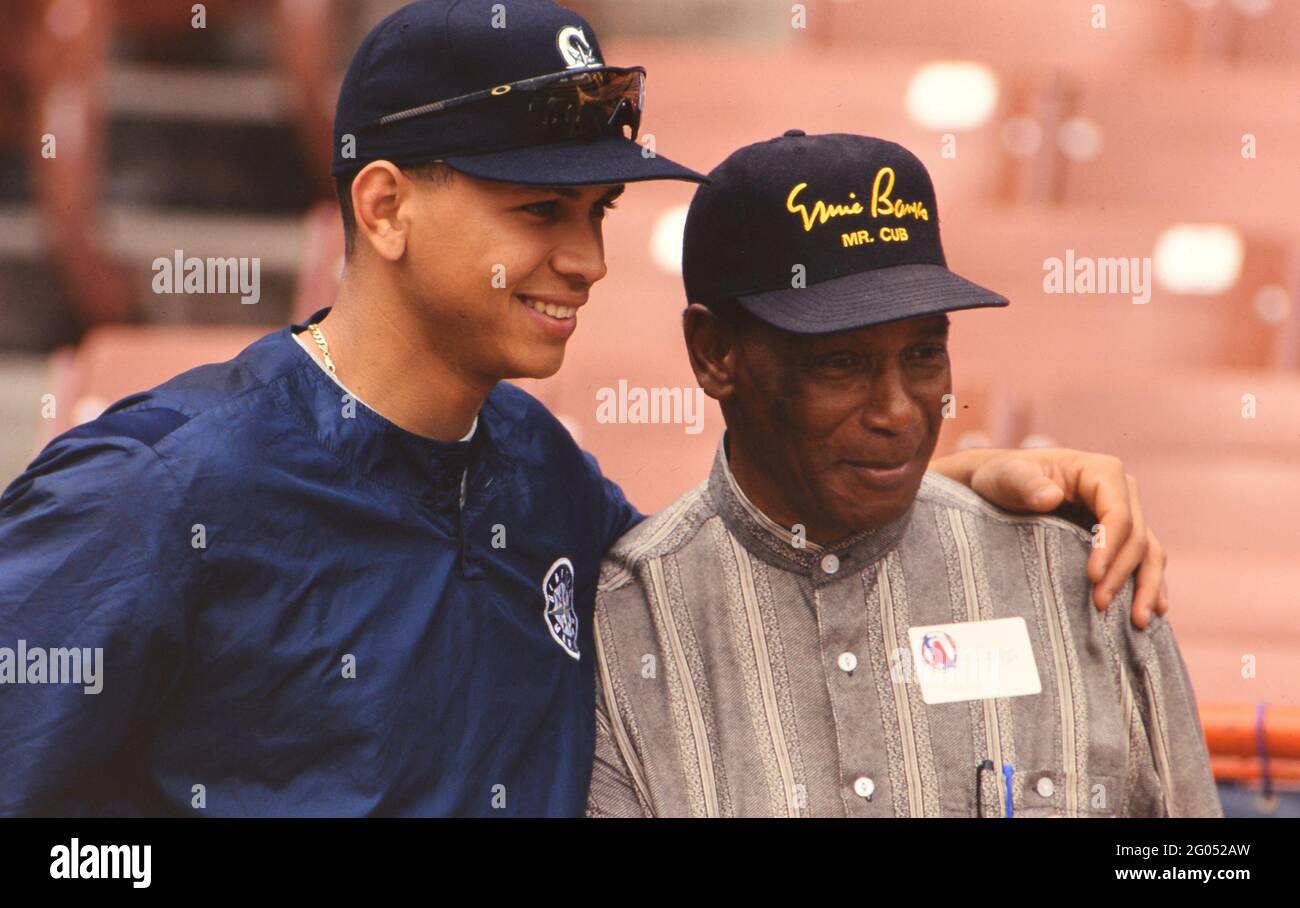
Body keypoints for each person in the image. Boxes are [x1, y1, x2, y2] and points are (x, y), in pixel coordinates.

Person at [0, 2, 1166, 818]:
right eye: (539, 214)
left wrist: (959, 476)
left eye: (599, 213)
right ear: (386, 205)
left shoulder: (537, 473)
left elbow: (718, 547)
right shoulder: (156, 491)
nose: (587, 261)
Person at [586, 132, 1221, 818]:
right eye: (841, 363)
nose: (897, 411)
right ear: (714, 355)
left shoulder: (1078, 572)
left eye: (923, 353)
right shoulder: (627, 625)